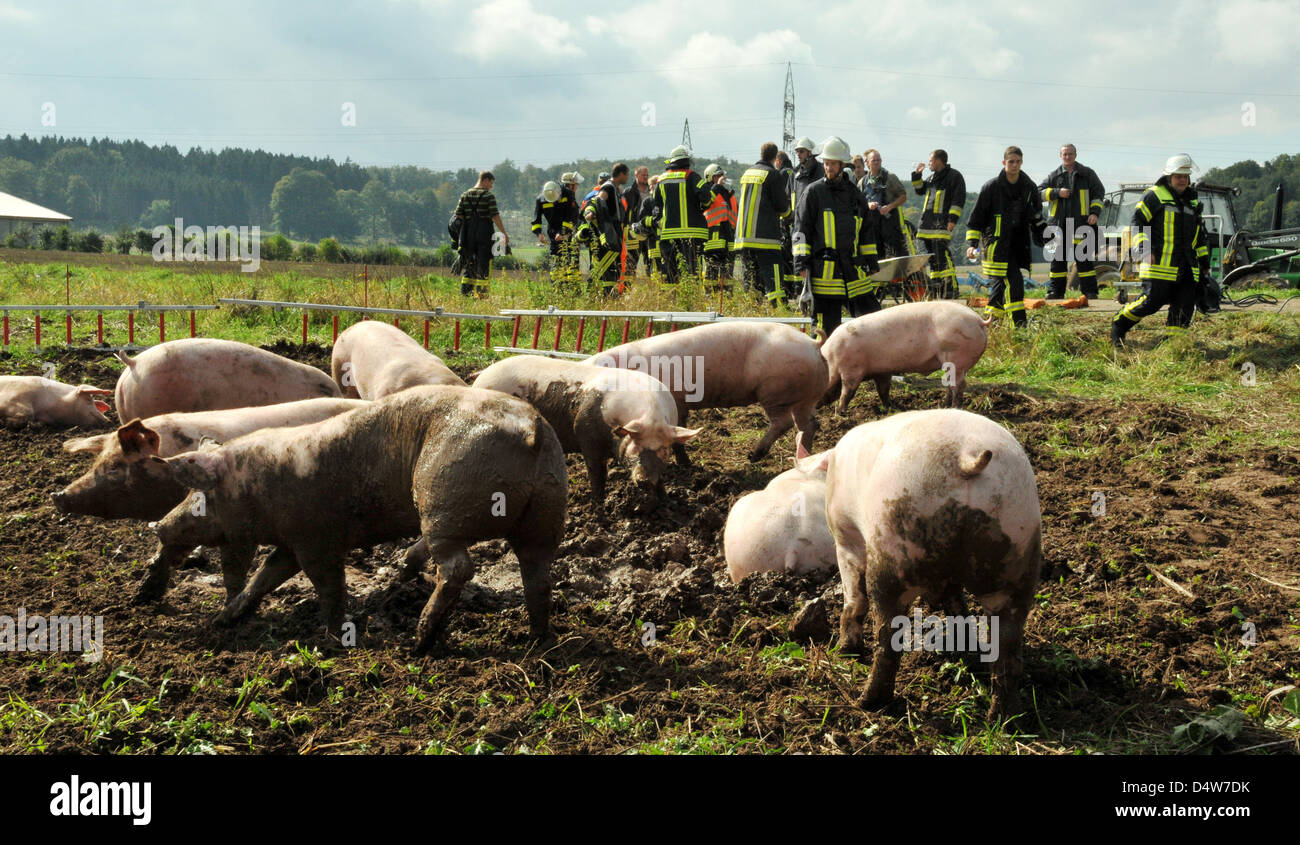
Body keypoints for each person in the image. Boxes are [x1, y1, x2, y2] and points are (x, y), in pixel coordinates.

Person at [1111, 154, 1211, 347]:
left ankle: (1173, 345)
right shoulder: (1154, 195)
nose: (1182, 180)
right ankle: (1119, 324)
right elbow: (1137, 222)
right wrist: (1145, 249)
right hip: (1159, 265)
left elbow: (1199, 235)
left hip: (1188, 267)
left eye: (1185, 176)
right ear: (1168, 177)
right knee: (1151, 302)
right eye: (1178, 176)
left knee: (1184, 306)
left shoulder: (1192, 202)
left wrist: (1204, 263)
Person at [793, 136, 882, 336]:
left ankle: (880, 366)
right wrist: (801, 264)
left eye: (832, 164)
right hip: (825, 274)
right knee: (824, 331)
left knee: (874, 324)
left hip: (854, 272)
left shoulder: (855, 195)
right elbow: (800, 230)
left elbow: (866, 231)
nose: (828, 168)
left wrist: (871, 262)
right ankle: (821, 367)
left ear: (842, 165)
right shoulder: (813, 192)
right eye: (826, 163)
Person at [965, 146, 1045, 328]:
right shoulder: (991, 187)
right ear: (1004, 163)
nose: (1014, 165)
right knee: (1014, 283)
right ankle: (1020, 326)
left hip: (1019, 245)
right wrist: (972, 244)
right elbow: (976, 218)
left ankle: (990, 326)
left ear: (1021, 163)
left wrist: (1043, 235)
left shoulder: (1029, 187)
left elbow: (1036, 214)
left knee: (999, 289)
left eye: (1018, 162)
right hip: (997, 246)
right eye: (1011, 161)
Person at [1038, 143, 1105, 298]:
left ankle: (1090, 292)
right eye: (1064, 154)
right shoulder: (1053, 176)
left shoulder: (1087, 174)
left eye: (1070, 154)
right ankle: (1056, 292)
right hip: (1058, 226)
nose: (1067, 156)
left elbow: (1099, 192)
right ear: (1060, 156)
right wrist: (1056, 192)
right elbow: (1037, 193)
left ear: (1075, 155)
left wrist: (1095, 213)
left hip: (1082, 224)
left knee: (1084, 261)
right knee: (1057, 261)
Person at [734, 141, 792, 305]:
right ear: (775, 157)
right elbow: (781, 206)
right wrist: (790, 215)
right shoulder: (772, 174)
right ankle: (779, 309)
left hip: (744, 238)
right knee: (773, 277)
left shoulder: (747, 173)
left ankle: (753, 310)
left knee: (751, 279)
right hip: (765, 238)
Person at [652, 145, 713, 285]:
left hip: (668, 235)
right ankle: (691, 303)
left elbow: (656, 206)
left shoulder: (661, 180)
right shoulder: (692, 176)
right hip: (692, 233)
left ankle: (671, 302)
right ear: (686, 161)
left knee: (670, 273)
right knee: (692, 272)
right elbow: (707, 198)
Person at [911, 149, 966, 298]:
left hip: (941, 226)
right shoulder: (931, 178)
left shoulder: (954, 176)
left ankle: (950, 290)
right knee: (933, 261)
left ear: (938, 161)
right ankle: (937, 290)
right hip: (927, 226)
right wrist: (917, 175)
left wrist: (952, 220)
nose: (929, 164)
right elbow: (919, 190)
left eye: (930, 161)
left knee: (943, 258)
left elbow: (958, 199)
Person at [454, 170, 509, 297]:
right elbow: (495, 215)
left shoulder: (465, 195)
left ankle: (466, 294)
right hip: (484, 233)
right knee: (484, 264)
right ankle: (482, 295)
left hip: (468, 235)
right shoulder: (488, 196)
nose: (491, 186)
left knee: (470, 264)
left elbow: (458, 215)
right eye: (491, 183)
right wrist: (504, 233)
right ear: (486, 180)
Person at [859, 149, 911, 258]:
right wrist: (868, 205)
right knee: (877, 255)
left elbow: (903, 196)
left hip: (890, 221)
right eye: (874, 160)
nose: (877, 162)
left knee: (897, 252)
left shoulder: (890, 177)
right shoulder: (862, 182)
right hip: (872, 223)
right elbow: (857, 202)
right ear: (867, 163)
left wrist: (889, 207)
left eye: (879, 160)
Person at [576, 180, 623, 296]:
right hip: (599, 249)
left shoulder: (613, 208)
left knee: (611, 275)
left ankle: (608, 299)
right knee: (597, 274)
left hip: (612, 247)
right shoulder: (593, 204)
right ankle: (595, 299)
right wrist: (588, 218)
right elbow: (586, 220)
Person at [702, 163, 737, 286]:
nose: (722, 178)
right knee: (711, 274)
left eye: (723, 176)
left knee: (727, 277)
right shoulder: (708, 192)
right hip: (713, 242)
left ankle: (727, 300)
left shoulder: (729, 195)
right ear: (711, 178)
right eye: (718, 176)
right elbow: (704, 204)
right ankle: (709, 299)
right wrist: (717, 186)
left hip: (729, 242)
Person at [775, 150, 798, 300]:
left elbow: (781, 198)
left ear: (778, 161)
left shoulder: (782, 174)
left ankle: (788, 290)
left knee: (786, 257)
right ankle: (795, 289)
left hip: (786, 220)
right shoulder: (794, 171)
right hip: (797, 220)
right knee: (793, 256)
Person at [624, 166, 653, 275]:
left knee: (650, 264)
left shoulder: (652, 190)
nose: (645, 177)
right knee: (631, 264)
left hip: (649, 232)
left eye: (647, 175)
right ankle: (627, 289)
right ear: (636, 175)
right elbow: (625, 212)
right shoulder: (629, 192)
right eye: (643, 175)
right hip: (633, 233)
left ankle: (652, 288)